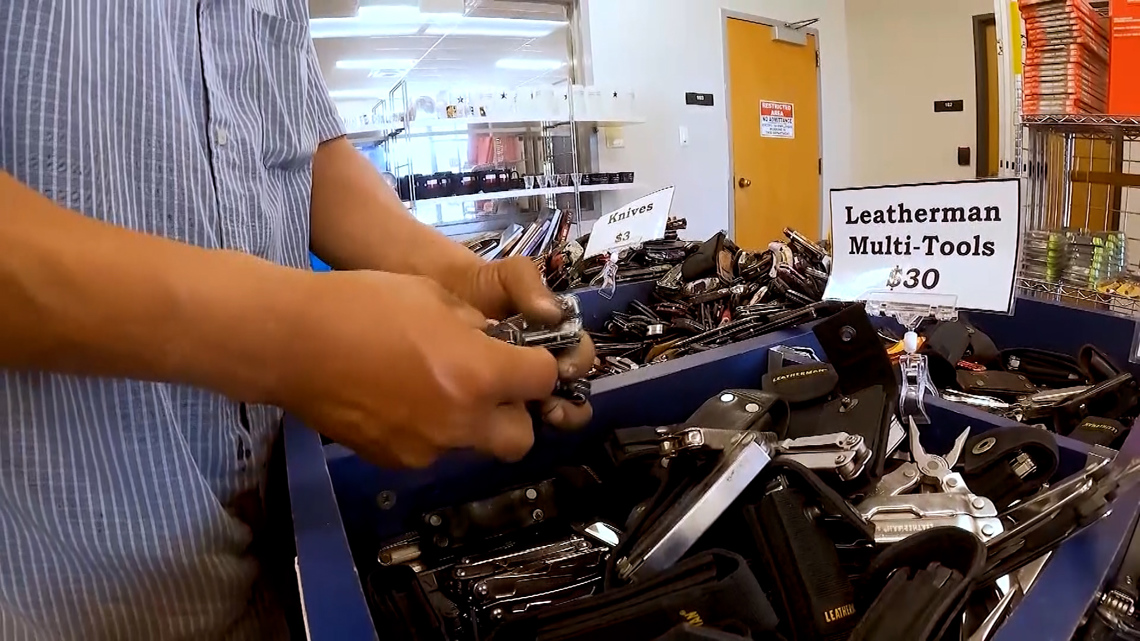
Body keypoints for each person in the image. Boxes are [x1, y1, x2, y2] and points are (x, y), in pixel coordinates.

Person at [0, 1, 595, 638]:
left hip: (287, 564)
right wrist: (291, 340)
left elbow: (298, 152)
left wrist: (461, 279)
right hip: (66, 601)